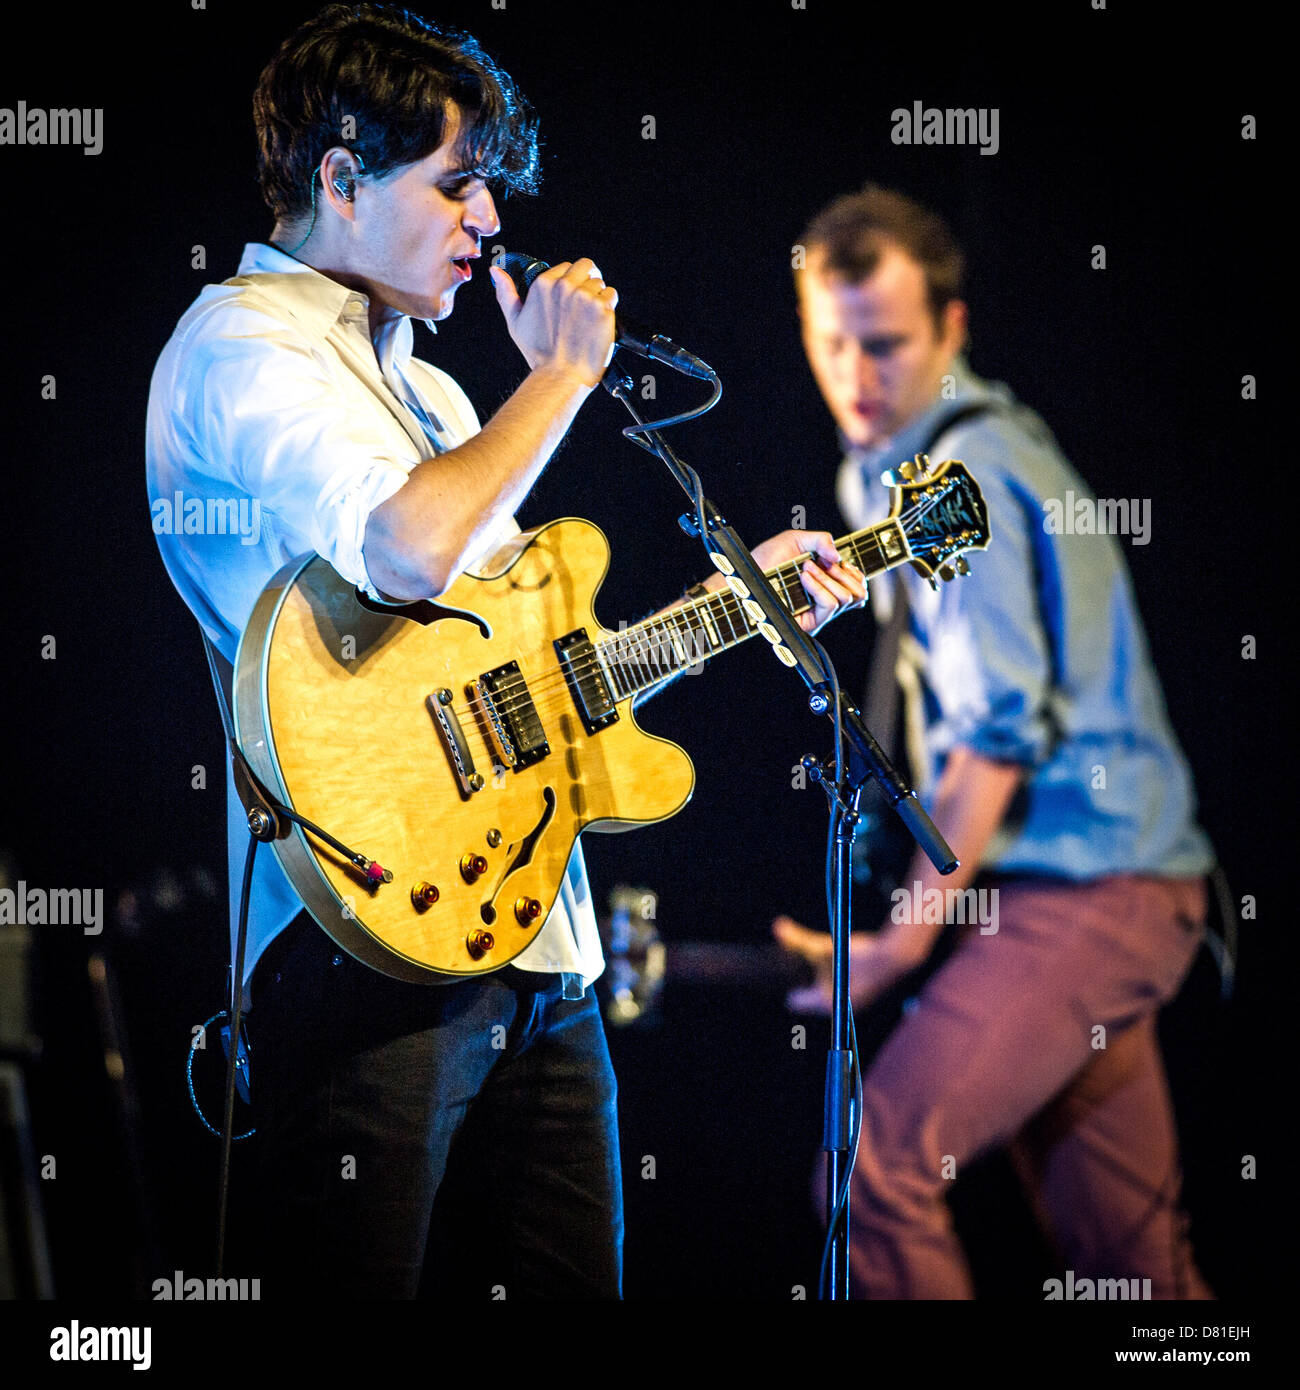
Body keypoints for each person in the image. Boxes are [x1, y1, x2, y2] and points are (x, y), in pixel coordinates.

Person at [145, 4, 865, 1298]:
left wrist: (733, 605)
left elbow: (523, 679)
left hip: (539, 948)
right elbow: (406, 551)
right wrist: (565, 381)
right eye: (460, 182)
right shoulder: (240, 350)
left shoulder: (436, 395)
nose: (489, 220)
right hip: (368, 950)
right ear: (343, 176)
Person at [772, 186, 1217, 1300]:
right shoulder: (896, 464)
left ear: (951, 330)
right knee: (1135, 1274)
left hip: (1088, 892)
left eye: (886, 345)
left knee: (869, 1175)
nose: (857, 376)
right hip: (1103, 888)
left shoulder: (958, 476)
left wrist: (897, 946)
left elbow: (998, 741)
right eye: (832, 343)